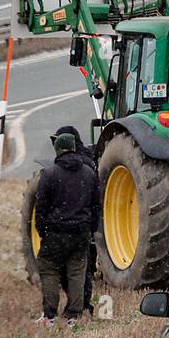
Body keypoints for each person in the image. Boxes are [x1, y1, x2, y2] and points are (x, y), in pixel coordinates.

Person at [33, 131, 100, 327]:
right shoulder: (89, 173)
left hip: (56, 231)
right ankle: (74, 316)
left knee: (49, 268)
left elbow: (41, 207)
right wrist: (91, 228)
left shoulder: (50, 173)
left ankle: (50, 315)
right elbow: (96, 205)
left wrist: (42, 230)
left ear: (58, 150)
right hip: (81, 233)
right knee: (77, 271)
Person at [49, 125, 98, 315]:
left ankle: (77, 306)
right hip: (84, 224)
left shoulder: (70, 168)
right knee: (83, 267)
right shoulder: (89, 162)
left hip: (70, 225)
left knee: (74, 268)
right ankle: (81, 304)